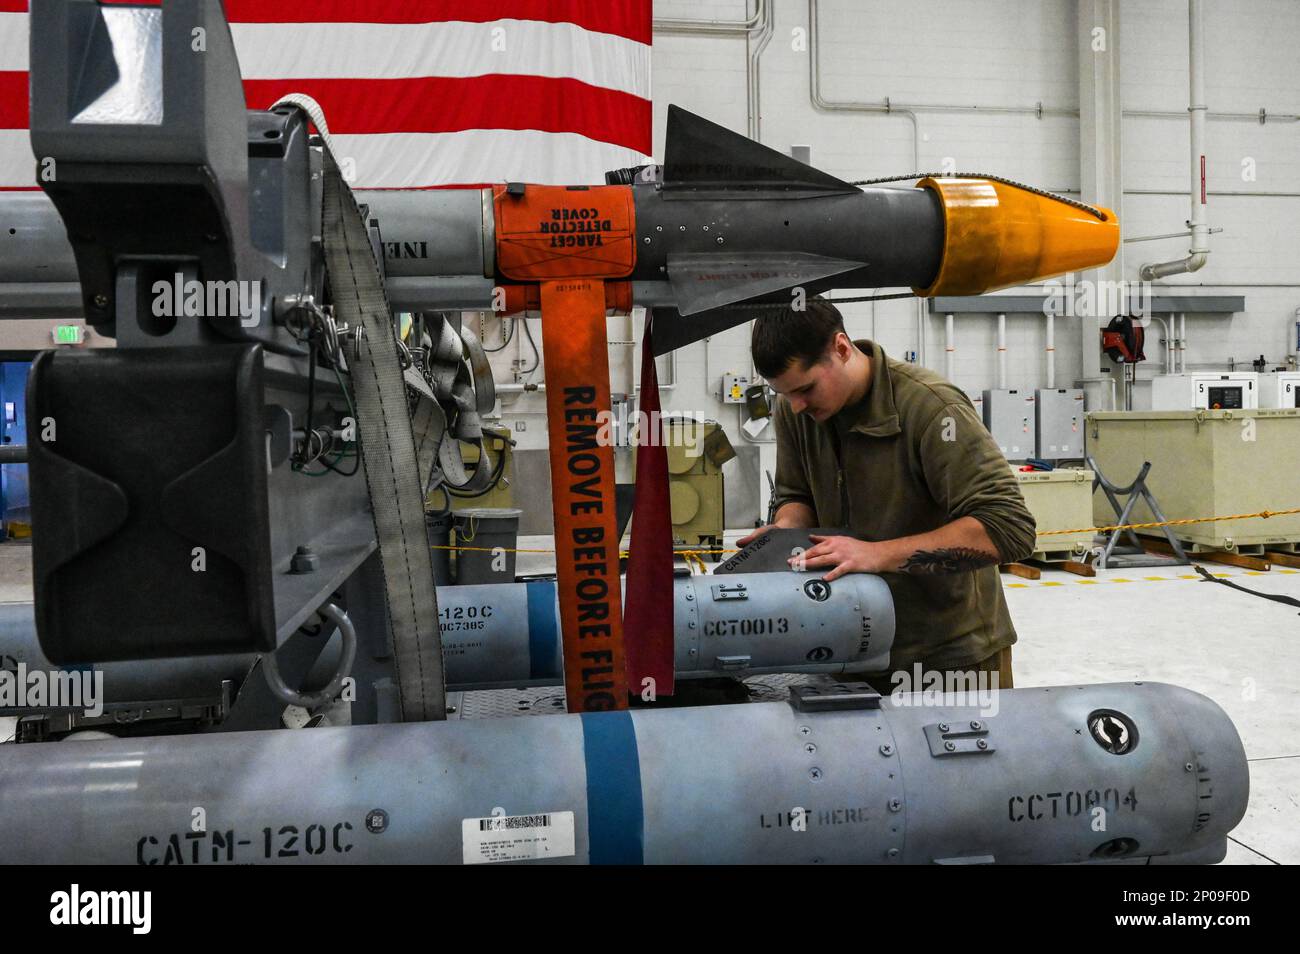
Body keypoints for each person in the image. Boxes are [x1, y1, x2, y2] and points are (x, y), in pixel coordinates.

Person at [737, 298, 1036, 694]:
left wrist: (875, 554)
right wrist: (785, 535)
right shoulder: (795, 410)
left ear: (841, 349)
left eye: (806, 388)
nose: (796, 405)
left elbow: (1008, 528)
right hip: (848, 645)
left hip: (949, 660)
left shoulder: (931, 409)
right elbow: (796, 493)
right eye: (785, 393)